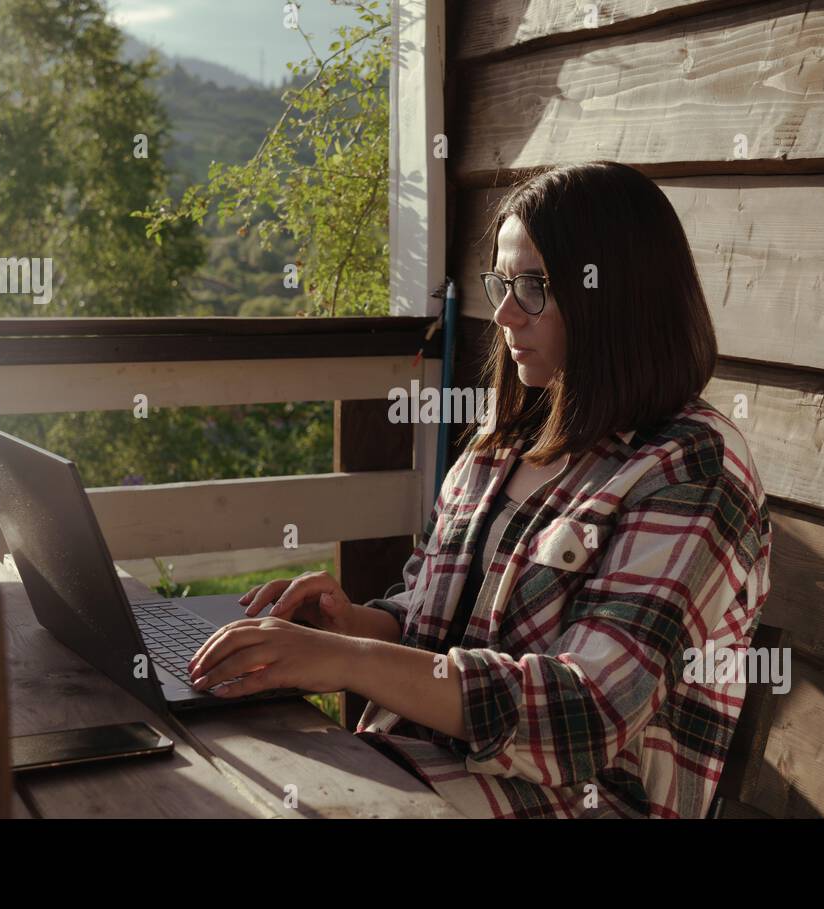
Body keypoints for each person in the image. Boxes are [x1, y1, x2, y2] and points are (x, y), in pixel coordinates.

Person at [187, 160, 772, 819]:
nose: (501, 313)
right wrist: (355, 623)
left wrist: (349, 659)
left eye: (535, 286)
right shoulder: (504, 440)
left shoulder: (691, 468)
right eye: (501, 281)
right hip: (414, 772)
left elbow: (586, 713)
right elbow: (431, 613)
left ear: (618, 294)